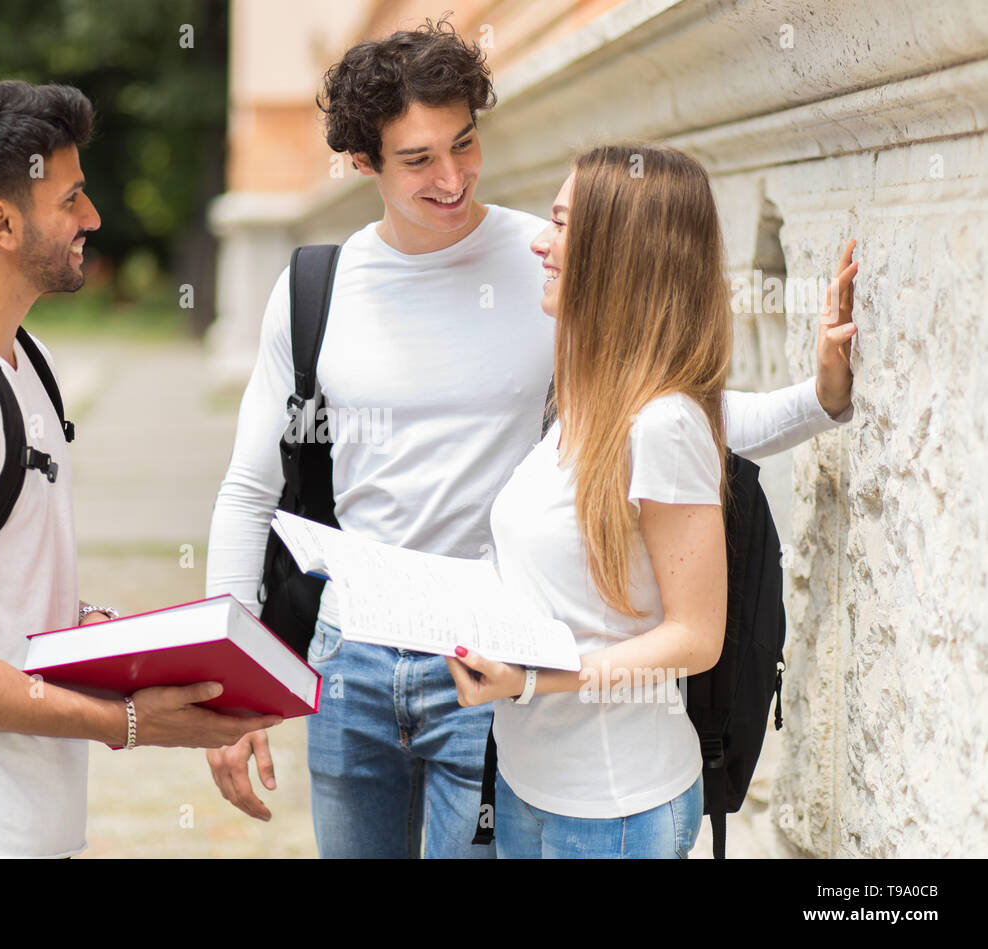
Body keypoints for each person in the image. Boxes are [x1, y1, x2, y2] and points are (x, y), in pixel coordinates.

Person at [203, 19, 855, 859]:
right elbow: (250, 490)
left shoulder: (552, 261)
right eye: (417, 160)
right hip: (350, 661)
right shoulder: (315, 289)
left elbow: (671, 414)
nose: (452, 178)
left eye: (464, 144)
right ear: (363, 163)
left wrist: (821, 400)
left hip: (493, 671)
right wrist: (230, 671)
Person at [0, 80, 280, 859]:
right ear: (1, 223)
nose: (93, 218)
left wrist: (105, 640)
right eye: (72, 198)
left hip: (26, 830)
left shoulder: (24, 360)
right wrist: (134, 724)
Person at [446, 144, 858, 858]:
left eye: (563, 224)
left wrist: (534, 679)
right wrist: (822, 397)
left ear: (619, 252)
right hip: (524, 786)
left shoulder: (663, 422)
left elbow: (696, 637)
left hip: (611, 810)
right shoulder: (585, 399)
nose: (540, 243)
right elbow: (735, 421)